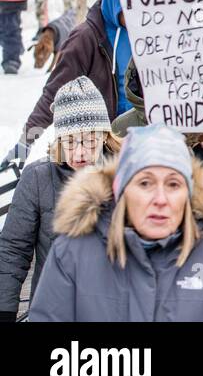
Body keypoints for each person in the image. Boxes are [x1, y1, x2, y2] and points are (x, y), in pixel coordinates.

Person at [29, 124, 203, 321]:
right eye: (145, 183)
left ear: (188, 194)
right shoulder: (72, 252)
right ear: (122, 190)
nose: (161, 199)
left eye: (173, 184)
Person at [0, 78, 121, 321]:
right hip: (53, 311)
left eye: (88, 141)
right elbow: (13, 250)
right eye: (70, 140)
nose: (78, 153)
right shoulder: (38, 177)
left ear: (104, 136)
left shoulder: (126, 175)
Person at [20, 0, 130, 156]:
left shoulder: (145, 34)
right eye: (129, 10)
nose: (135, 17)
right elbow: (54, 93)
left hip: (141, 138)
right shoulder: (85, 38)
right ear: (116, 3)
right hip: (97, 145)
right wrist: (23, 145)